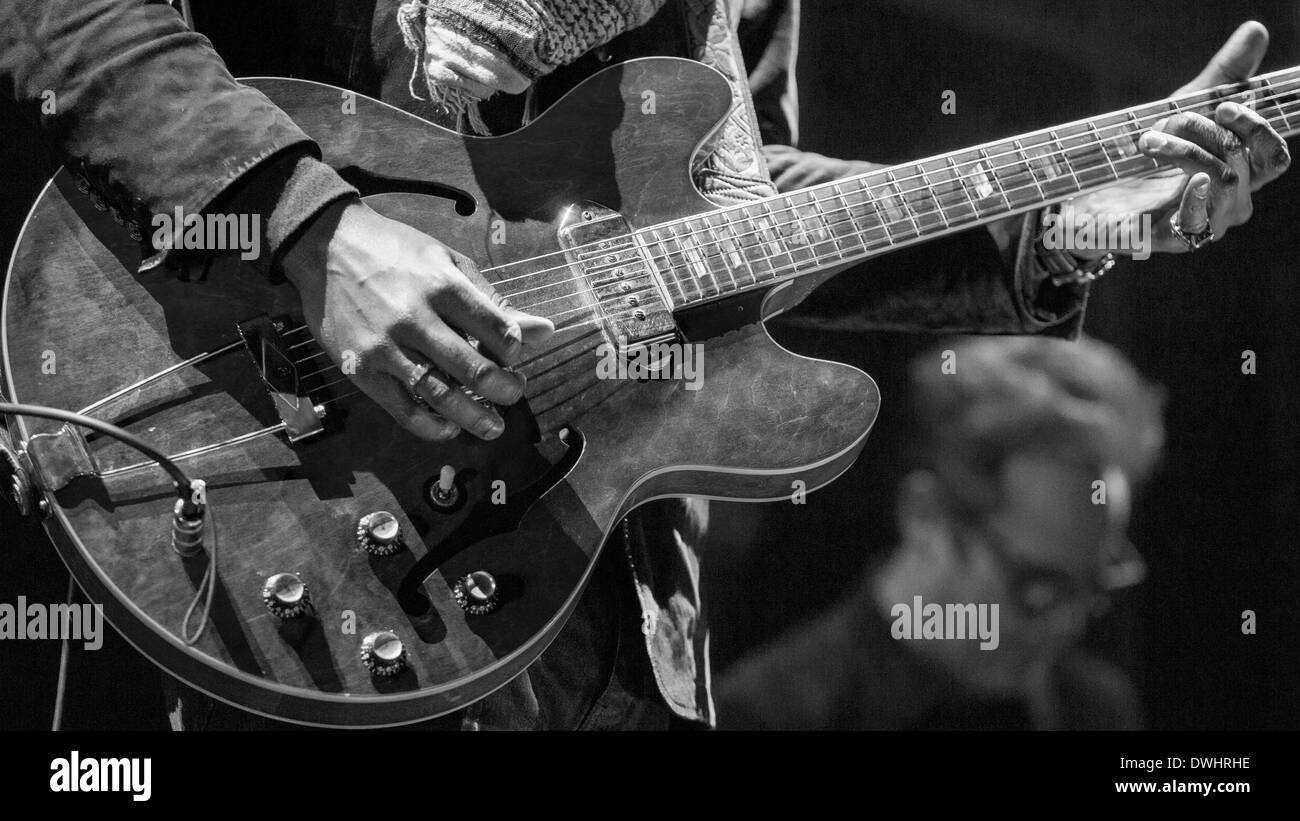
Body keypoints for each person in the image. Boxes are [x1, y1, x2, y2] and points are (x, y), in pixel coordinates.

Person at [0, 1, 1286, 729]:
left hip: (599, 603)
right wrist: (313, 226)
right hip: (279, 482)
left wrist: (1069, 213)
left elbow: (735, 231)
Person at [717, 336, 1164, 730]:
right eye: (1039, 589)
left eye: (1097, 585)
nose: (1068, 626)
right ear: (926, 515)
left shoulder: (1095, 709)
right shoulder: (767, 715)